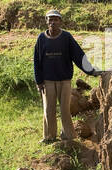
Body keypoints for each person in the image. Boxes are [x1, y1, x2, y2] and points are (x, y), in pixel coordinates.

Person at [33, 10, 100, 144]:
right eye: (50, 19)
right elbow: (36, 61)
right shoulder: (41, 39)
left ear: (60, 21)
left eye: (55, 19)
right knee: (48, 109)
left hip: (64, 80)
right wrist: (39, 81)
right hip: (48, 81)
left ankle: (69, 136)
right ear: (46, 21)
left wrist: (91, 71)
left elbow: (79, 56)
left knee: (65, 109)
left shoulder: (66, 38)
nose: (52, 22)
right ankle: (49, 137)